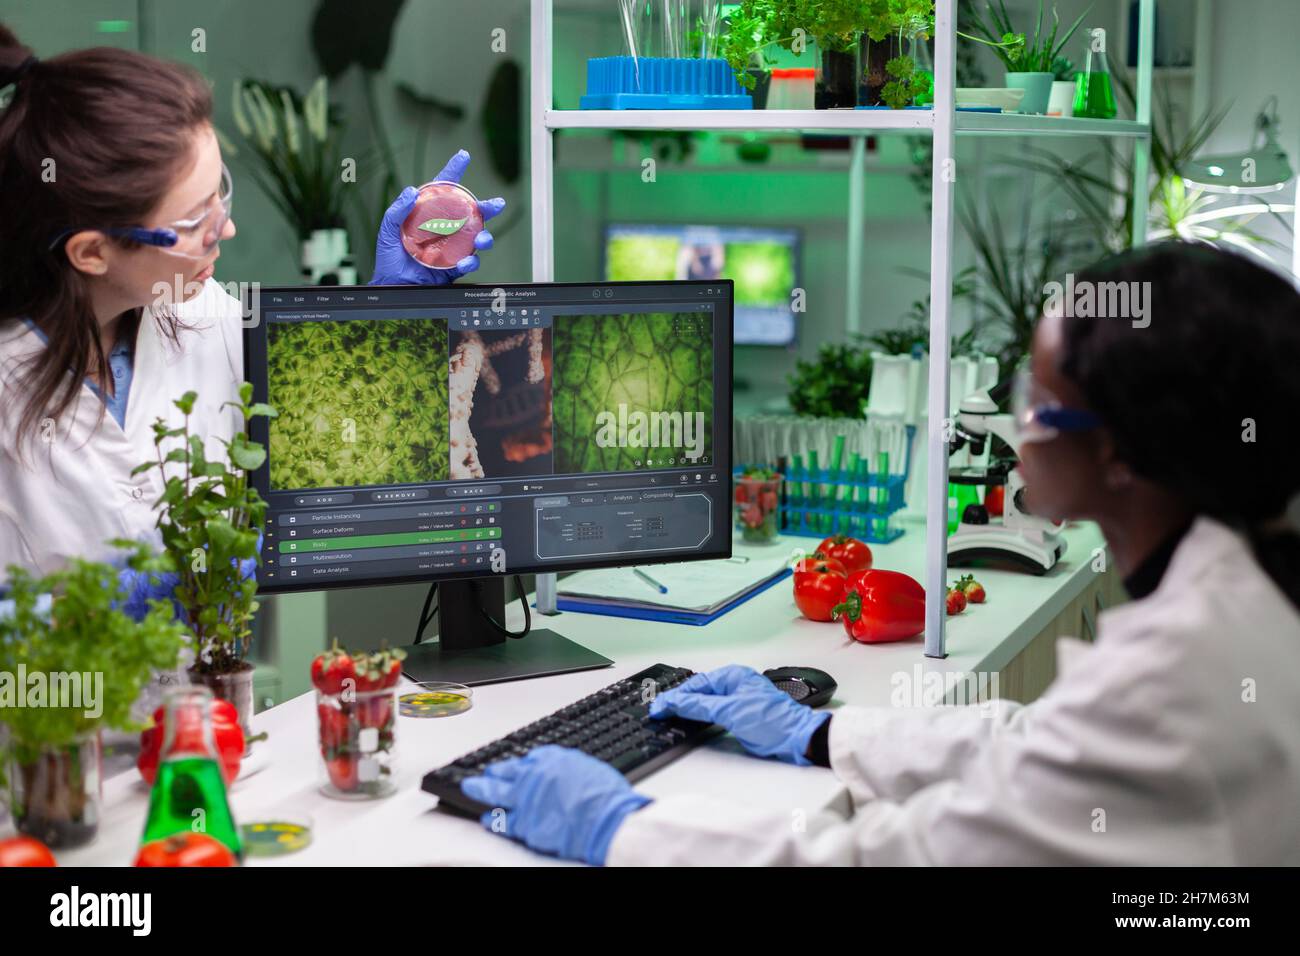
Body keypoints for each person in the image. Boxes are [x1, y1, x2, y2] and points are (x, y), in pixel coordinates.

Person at [460, 241, 1300, 866]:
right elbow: (1032, 746)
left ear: (1121, 452)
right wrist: (821, 734)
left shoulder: (1177, 676)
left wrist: (622, 827)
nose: (1016, 425)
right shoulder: (1250, 583)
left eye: (1037, 401)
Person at [0, 27, 504, 580]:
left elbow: (330, 429)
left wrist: (390, 303)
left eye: (222, 191)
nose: (228, 228)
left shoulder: (196, 311)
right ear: (92, 251)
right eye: (198, 223)